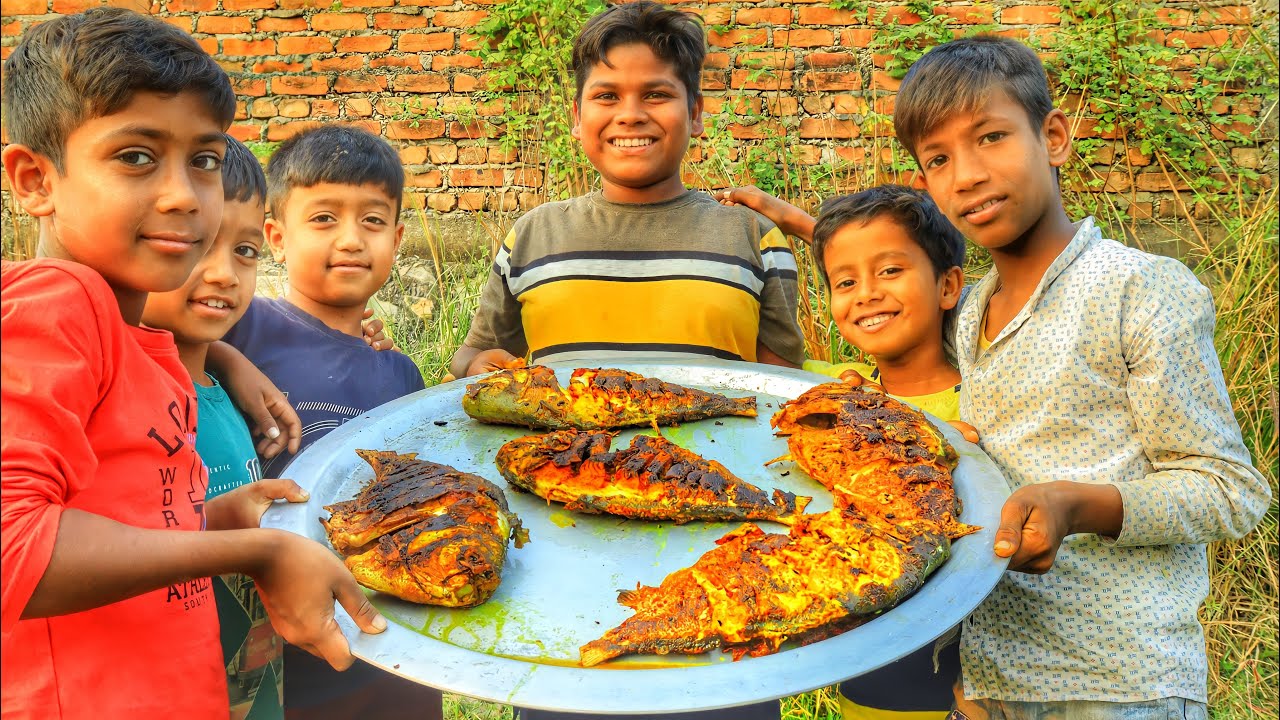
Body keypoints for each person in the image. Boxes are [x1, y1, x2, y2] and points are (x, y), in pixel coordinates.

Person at [0, 8, 388, 719]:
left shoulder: (132, 335)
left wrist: (212, 524)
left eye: (203, 160)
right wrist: (252, 555)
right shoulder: (60, 304)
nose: (184, 194)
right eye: (136, 157)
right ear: (34, 180)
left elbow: (108, 528)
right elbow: (13, 547)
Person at [894, 36, 1271, 719]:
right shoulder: (973, 306)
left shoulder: (1139, 289)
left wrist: (1077, 506)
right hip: (995, 680)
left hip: (1120, 683)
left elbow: (1228, 489)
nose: (969, 175)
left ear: (1055, 137)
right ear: (926, 186)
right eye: (940, 160)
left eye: (991, 138)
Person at [448, 0, 805, 382]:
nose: (631, 114)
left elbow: (782, 389)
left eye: (656, 94)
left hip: (717, 443)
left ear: (696, 113)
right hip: (564, 443)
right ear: (577, 118)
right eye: (607, 96)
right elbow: (475, 353)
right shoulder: (535, 234)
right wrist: (473, 365)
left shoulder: (752, 234)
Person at [215, 123, 439, 720]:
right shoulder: (243, 328)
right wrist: (226, 356)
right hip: (273, 630)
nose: (351, 239)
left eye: (372, 220)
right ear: (275, 237)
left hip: (388, 623)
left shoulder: (404, 377)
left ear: (397, 237)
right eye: (323, 218)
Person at [140, 135, 289, 719]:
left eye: (246, 251)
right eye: (195, 244)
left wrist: (227, 358)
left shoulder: (223, 388)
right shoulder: (115, 390)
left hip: (256, 686)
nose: (225, 274)